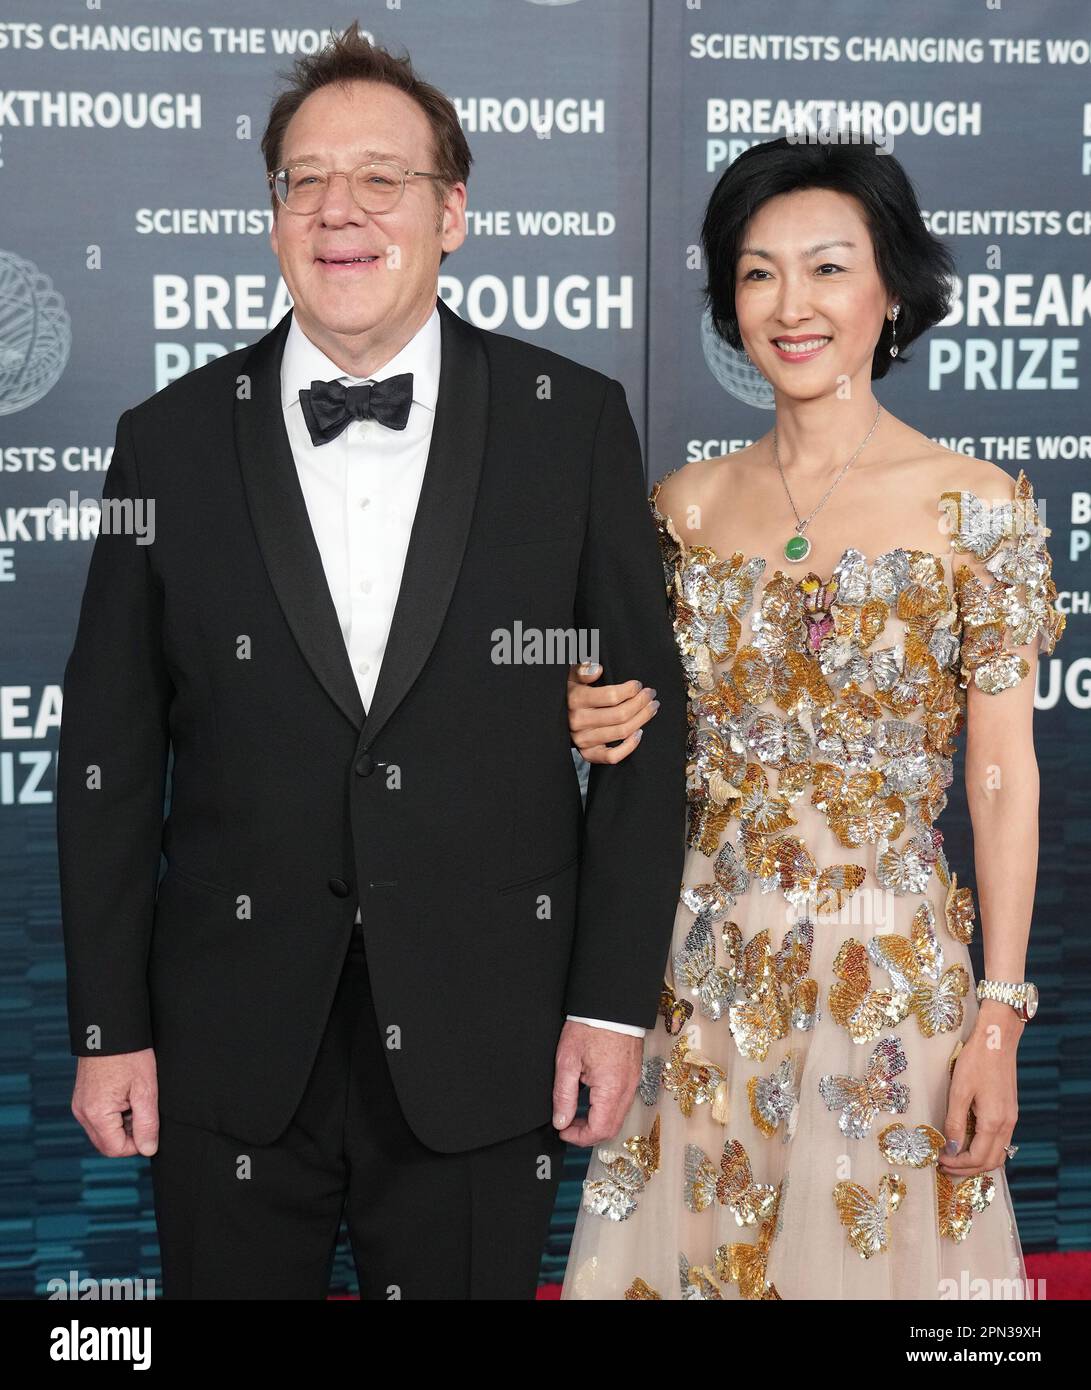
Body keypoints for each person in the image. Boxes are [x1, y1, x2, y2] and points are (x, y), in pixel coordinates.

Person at [56, 24, 687, 1300]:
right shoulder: (164, 445)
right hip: (227, 1049)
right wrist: (107, 1027)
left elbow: (644, 733)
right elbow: (109, 760)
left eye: (380, 179)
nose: (338, 210)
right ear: (274, 216)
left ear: (452, 212)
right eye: (304, 180)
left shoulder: (571, 426)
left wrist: (611, 1006)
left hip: (487, 1041)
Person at [560, 136, 1066, 1300]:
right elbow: (638, 735)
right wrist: (586, 712)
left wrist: (997, 1014)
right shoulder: (680, 507)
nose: (790, 305)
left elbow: (1000, 777)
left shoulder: (973, 507)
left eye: (827, 268)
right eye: (755, 272)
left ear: (889, 289)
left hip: (887, 976)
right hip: (699, 978)